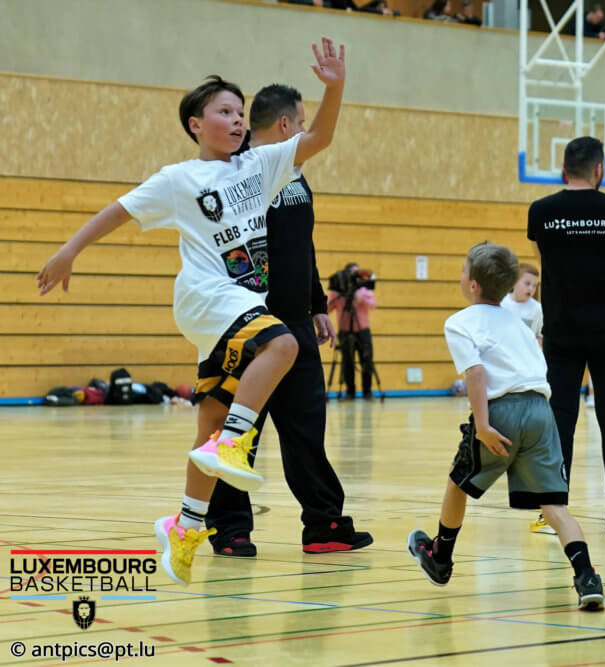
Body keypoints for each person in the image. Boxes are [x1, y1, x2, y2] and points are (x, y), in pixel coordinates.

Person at [35, 37, 348, 584]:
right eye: (224, 112)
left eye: (239, 112)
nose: (236, 119)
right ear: (195, 125)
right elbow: (118, 211)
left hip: (234, 312)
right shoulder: (179, 179)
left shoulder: (261, 165)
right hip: (206, 298)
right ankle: (236, 441)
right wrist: (69, 250)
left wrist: (335, 88)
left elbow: (318, 137)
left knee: (209, 422)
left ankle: (185, 524)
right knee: (283, 343)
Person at [205, 84, 372, 557]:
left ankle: (323, 522)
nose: (303, 130)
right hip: (250, 325)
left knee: (306, 431)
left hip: (296, 326)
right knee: (239, 432)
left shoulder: (294, 175)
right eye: (299, 122)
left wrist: (316, 303)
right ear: (285, 125)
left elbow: (303, 246)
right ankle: (230, 529)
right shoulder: (238, 174)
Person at [407, 242, 605, 611]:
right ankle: (587, 577)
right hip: (541, 410)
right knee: (554, 507)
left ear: (473, 285)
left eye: (463, 271)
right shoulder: (518, 323)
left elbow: (475, 373)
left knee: (458, 482)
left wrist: (482, 424)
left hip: (503, 410)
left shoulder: (460, 322)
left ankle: (440, 558)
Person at [527, 136, 605, 536]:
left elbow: (544, 258)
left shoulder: (541, 210)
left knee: (560, 418)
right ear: (600, 169)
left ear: (563, 170)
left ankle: (553, 510)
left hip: (561, 329)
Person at [329, 263, 377, 399]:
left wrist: (359, 299)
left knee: (366, 360)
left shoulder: (363, 288)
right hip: (344, 331)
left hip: (363, 331)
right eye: (353, 273)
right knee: (347, 362)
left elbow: (373, 305)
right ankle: (350, 392)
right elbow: (327, 308)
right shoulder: (338, 291)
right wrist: (339, 295)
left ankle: (367, 392)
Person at [500, 263, 543, 341]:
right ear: (514, 282)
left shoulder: (538, 308)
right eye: (527, 284)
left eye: (534, 285)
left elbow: (540, 336)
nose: (531, 288)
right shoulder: (501, 303)